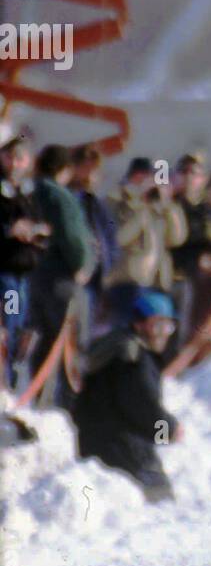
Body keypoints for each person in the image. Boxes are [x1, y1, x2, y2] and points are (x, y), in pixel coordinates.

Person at [72, 288, 182, 503]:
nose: (163, 334)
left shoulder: (115, 344)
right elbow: (143, 406)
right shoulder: (133, 358)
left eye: (167, 326)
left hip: (92, 442)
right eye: (156, 325)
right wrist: (168, 430)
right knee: (161, 497)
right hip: (119, 446)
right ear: (139, 324)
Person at [29, 144, 94, 406]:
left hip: (37, 276)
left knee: (45, 339)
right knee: (70, 339)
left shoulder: (31, 193)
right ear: (64, 169)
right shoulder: (60, 196)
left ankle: (40, 398)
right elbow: (72, 236)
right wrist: (82, 264)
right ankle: (69, 403)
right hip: (62, 277)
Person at [105, 157, 187, 324]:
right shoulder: (117, 200)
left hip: (157, 279)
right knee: (128, 329)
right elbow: (119, 238)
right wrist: (141, 207)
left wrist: (168, 205)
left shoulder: (156, 205)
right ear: (137, 176)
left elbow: (176, 239)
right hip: (128, 280)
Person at [0, 134, 50, 389]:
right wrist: (10, 229)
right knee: (8, 324)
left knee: (21, 327)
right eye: (10, 157)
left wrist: (38, 231)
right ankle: (5, 378)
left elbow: (43, 223)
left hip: (26, 270)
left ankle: (14, 377)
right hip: (6, 269)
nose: (14, 163)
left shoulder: (29, 192)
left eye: (20, 159)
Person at [169, 153, 211, 343]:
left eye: (194, 173)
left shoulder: (208, 211)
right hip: (174, 276)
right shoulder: (170, 206)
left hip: (201, 280)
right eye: (184, 172)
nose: (188, 177)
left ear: (203, 179)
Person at [69, 144, 118, 337]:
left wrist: (106, 261)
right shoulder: (67, 199)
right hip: (72, 277)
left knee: (84, 334)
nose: (92, 176)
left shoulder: (95, 203)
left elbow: (111, 238)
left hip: (94, 278)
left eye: (96, 170)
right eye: (88, 169)